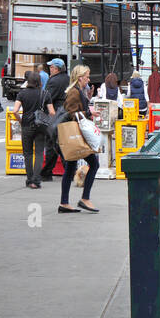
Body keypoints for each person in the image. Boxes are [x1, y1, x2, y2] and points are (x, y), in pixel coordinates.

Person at [57, 70, 101, 214]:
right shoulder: (74, 92)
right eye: (87, 77)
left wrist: (87, 98)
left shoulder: (77, 90)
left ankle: (64, 202)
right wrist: (89, 113)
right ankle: (84, 198)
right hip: (75, 135)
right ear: (80, 78)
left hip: (75, 136)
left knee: (70, 167)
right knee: (94, 164)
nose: (88, 80)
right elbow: (70, 113)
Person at [13, 70, 47, 189]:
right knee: (39, 153)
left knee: (27, 154)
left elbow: (15, 110)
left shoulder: (22, 93)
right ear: (39, 82)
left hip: (26, 125)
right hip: (40, 126)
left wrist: (20, 120)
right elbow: (52, 112)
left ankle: (29, 179)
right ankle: (36, 180)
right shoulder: (44, 93)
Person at [39, 58, 71, 180]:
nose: (50, 69)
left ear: (56, 69)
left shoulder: (53, 81)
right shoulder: (68, 78)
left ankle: (47, 172)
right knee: (62, 143)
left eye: (51, 67)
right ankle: (67, 169)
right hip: (66, 114)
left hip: (55, 115)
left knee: (52, 143)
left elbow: (47, 97)